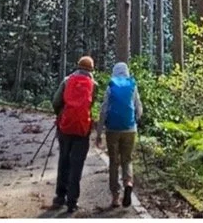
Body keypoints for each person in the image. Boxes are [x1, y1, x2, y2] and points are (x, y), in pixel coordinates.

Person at [51, 55, 97, 214]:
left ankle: (59, 196)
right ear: (91, 69)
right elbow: (91, 104)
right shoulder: (93, 84)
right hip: (82, 129)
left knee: (64, 160)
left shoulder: (67, 80)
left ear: (77, 66)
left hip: (65, 127)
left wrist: (60, 114)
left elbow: (56, 101)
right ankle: (72, 202)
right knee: (77, 165)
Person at [95, 61, 143, 209]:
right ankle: (128, 182)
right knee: (127, 160)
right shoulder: (132, 85)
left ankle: (116, 197)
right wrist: (136, 120)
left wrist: (99, 132)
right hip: (130, 129)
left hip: (112, 130)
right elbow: (138, 107)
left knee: (114, 163)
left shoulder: (111, 85)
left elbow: (104, 109)